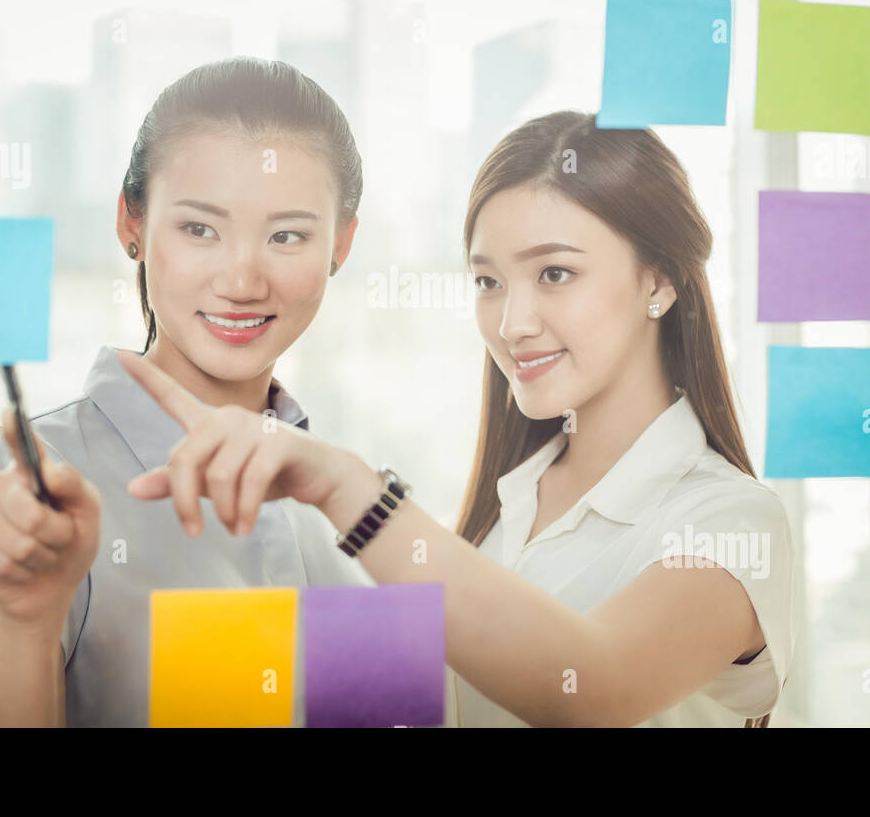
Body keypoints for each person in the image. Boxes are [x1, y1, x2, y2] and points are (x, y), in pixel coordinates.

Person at [118, 110, 797, 727]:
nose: (513, 323)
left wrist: (345, 486)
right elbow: (358, 705)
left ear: (658, 281)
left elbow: (591, 686)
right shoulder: (494, 525)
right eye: (488, 282)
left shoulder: (732, 523)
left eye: (555, 274)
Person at [0, 57, 379, 727]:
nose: (242, 281)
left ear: (341, 242)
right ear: (131, 223)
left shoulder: (347, 502)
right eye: (199, 229)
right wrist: (25, 623)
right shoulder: (37, 475)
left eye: (287, 235)